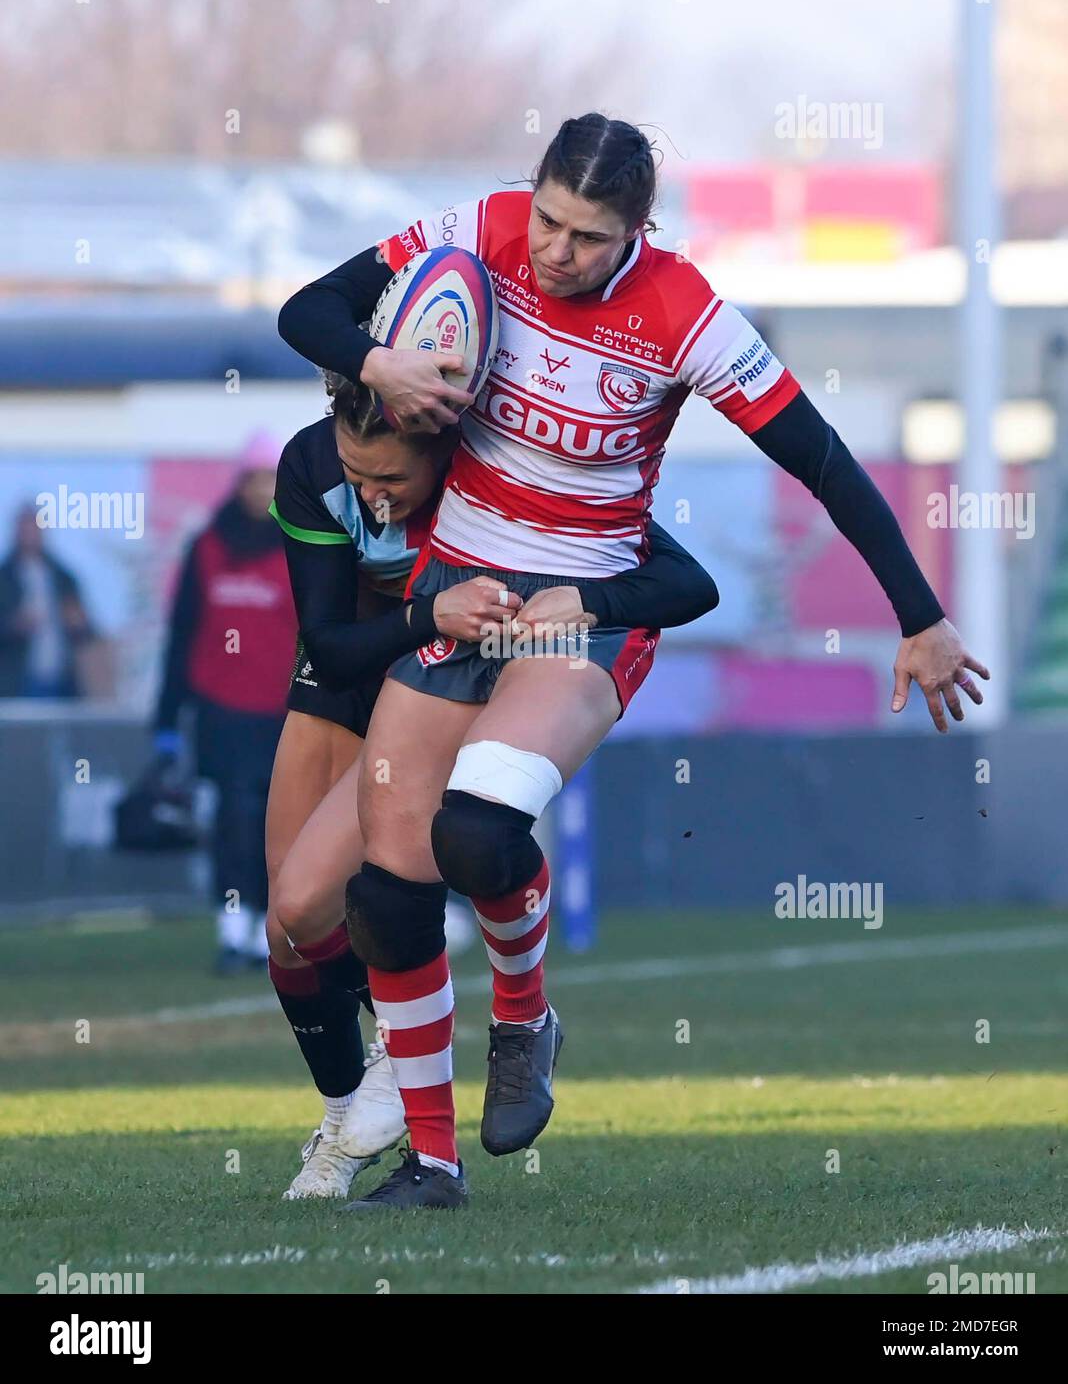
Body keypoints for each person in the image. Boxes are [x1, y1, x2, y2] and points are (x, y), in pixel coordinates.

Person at [278, 112, 990, 1211]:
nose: (557, 251)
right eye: (550, 220)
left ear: (639, 233)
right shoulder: (482, 233)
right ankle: (432, 1164)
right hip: (457, 602)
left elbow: (823, 460)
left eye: (588, 236)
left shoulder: (686, 314)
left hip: (583, 618)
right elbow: (304, 310)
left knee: (478, 826)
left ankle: (525, 1013)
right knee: (385, 890)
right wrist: (381, 360)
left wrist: (921, 613)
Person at [263, 369, 720, 1199]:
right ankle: (352, 1105)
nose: (372, 499)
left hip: (455, 675)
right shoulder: (313, 464)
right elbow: (327, 644)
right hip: (364, 657)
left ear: (449, 449)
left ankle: (411, 1090)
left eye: (394, 481)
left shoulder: (508, 475)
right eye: (358, 477)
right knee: (291, 922)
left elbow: (687, 583)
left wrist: (574, 603)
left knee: (436, 856)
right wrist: (428, 616)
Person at [154, 440, 295, 973]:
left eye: (270, 481)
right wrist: (166, 720)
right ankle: (232, 930)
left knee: (274, 826)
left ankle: (267, 934)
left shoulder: (298, 545)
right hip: (221, 712)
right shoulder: (208, 547)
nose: (262, 491)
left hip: (283, 712)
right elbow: (182, 633)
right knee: (233, 821)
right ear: (239, 485)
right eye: (254, 479)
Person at [0, 505, 93, 698]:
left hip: (63, 680)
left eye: (35, 529)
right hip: (17, 682)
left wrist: (78, 623)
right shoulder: (4, 578)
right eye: (26, 529)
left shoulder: (63, 577)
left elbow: (86, 629)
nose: (31, 534)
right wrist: (14, 625)